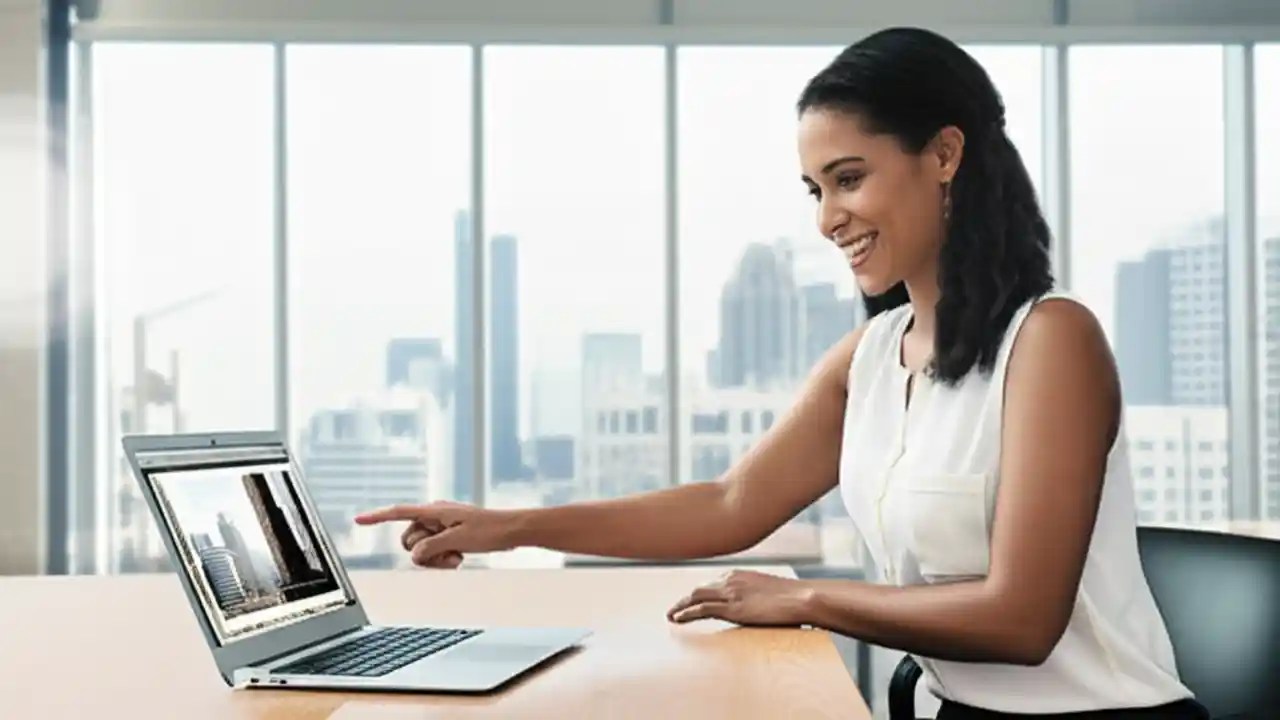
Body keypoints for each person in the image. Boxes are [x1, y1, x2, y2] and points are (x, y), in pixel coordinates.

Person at [356, 27, 1209, 719]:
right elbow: (730, 504)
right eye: (815, 190)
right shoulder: (872, 358)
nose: (831, 218)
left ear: (944, 155)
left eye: (850, 179)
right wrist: (505, 527)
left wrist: (809, 601)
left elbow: (1021, 619)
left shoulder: (1051, 342)